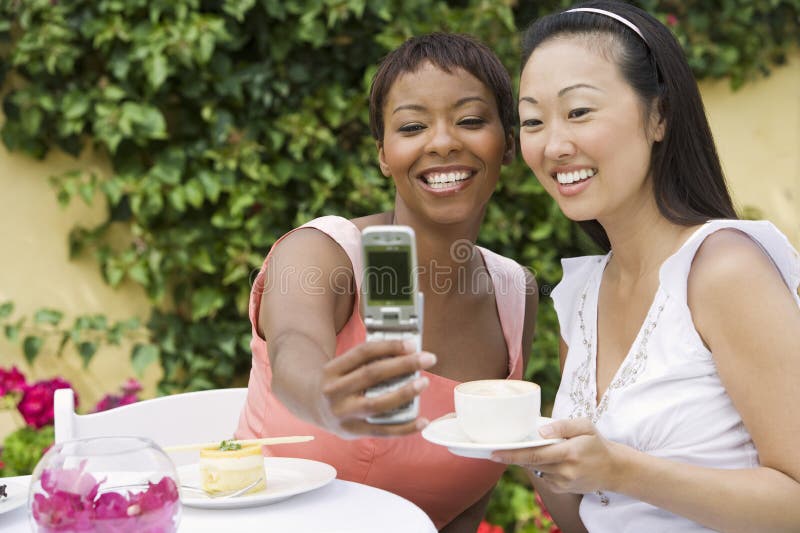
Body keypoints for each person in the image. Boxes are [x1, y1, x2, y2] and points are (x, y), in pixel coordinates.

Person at [490, 2, 800, 532]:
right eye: (534, 121)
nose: (555, 145)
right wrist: (525, 446)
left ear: (659, 116)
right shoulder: (582, 297)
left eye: (579, 112)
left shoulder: (723, 270)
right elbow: (592, 516)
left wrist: (623, 470)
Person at [236, 33, 539, 531]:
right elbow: (294, 348)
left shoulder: (513, 294)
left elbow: (465, 503)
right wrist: (322, 396)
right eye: (413, 126)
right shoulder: (324, 254)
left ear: (508, 143)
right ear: (383, 154)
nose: (442, 142)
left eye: (469, 120)